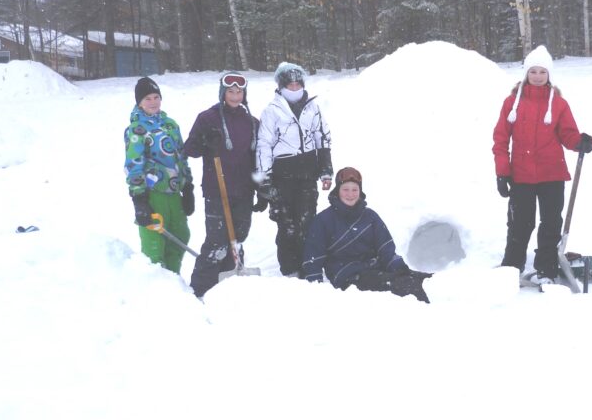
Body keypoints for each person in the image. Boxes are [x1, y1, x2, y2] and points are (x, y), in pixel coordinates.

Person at [492, 46, 592, 284]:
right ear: (526, 74)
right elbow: (500, 139)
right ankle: (511, 267)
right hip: (520, 176)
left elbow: (568, 135)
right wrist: (502, 172)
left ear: (549, 74)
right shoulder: (512, 103)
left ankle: (546, 269)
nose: (538, 76)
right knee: (520, 224)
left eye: (542, 71)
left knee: (551, 223)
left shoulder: (559, 104)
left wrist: (580, 142)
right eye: (533, 71)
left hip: (552, 173)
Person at [183, 71, 268, 298]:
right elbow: (189, 149)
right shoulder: (207, 118)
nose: (235, 95)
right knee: (217, 243)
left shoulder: (251, 122)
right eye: (230, 91)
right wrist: (205, 142)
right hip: (216, 189)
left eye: (239, 91)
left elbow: (258, 158)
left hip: (244, 190)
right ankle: (200, 289)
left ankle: (227, 286)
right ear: (223, 93)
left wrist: (261, 189)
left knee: (237, 239)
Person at [303, 167, 429, 302]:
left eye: (354, 190)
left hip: (374, 267)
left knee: (426, 280)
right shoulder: (323, 220)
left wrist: (400, 268)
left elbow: (385, 247)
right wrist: (315, 289)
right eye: (345, 189)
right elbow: (313, 256)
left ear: (360, 191)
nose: (350, 194)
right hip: (347, 275)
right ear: (338, 190)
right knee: (408, 286)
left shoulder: (370, 216)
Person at [256, 62, 333, 276]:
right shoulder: (272, 111)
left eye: (298, 84)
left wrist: (326, 170)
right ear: (281, 86)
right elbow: (264, 145)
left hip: (308, 173)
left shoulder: (312, 107)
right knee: (286, 223)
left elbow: (323, 137)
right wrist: (265, 180)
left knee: (308, 222)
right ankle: (290, 269)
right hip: (283, 175)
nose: (294, 88)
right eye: (290, 85)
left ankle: (309, 265)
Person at [124, 76, 195, 274]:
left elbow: (181, 156)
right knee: (155, 241)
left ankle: (173, 278)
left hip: (174, 193)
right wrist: (139, 199)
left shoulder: (171, 125)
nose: (153, 102)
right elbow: (133, 164)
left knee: (180, 235)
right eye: (148, 98)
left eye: (156, 97)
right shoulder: (136, 129)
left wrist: (188, 187)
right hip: (152, 193)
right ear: (139, 102)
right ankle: (156, 284)